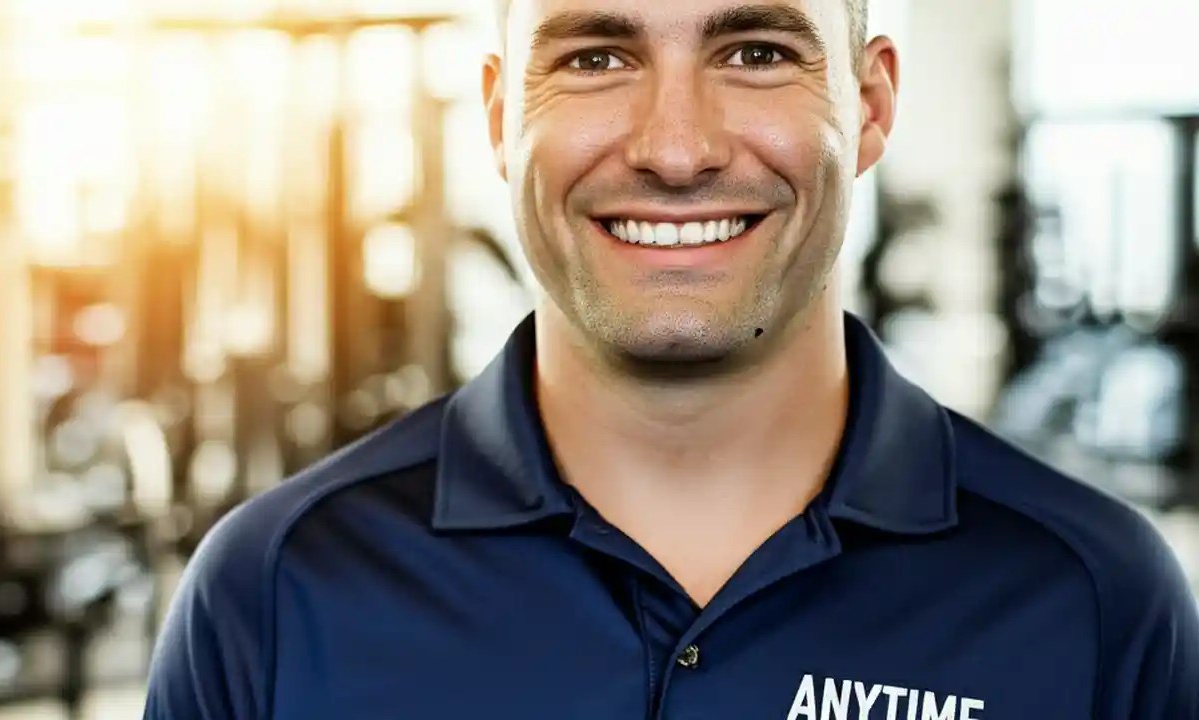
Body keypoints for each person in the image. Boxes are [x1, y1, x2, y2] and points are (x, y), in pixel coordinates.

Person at [143, 0, 1199, 717]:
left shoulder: (1091, 595)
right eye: (596, 58)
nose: (677, 149)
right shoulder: (278, 591)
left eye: (754, 52)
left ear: (868, 105)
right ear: (501, 115)